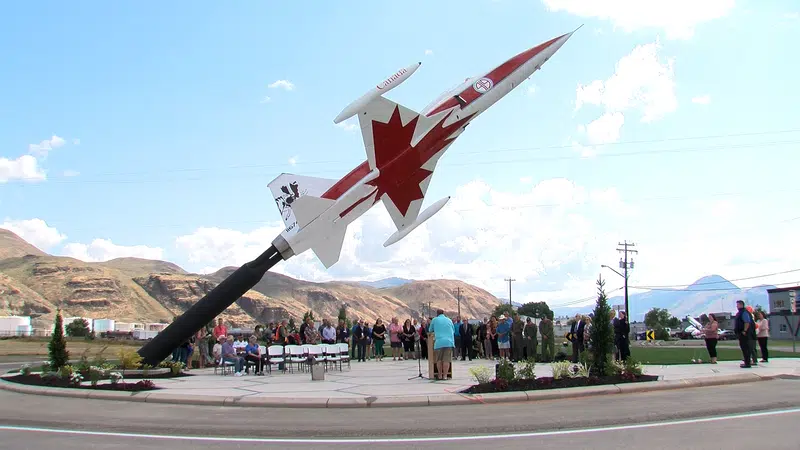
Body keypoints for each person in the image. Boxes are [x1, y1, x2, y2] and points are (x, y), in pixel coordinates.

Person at [429, 308, 455, 380]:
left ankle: (440, 375)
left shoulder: (435, 320)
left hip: (439, 342)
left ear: (437, 314)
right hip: (449, 342)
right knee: (446, 360)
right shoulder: (449, 320)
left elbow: (430, 330)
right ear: (444, 313)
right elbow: (453, 330)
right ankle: (445, 376)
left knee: (439, 360)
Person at [734, 300, 755, 368]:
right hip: (740, 333)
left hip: (744, 334)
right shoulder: (740, 313)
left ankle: (747, 363)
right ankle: (746, 362)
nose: (737, 306)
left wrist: (745, 331)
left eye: (738, 305)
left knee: (746, 348)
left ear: (741, 305)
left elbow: (747, 322)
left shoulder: (744, 312)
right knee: (743, 348)